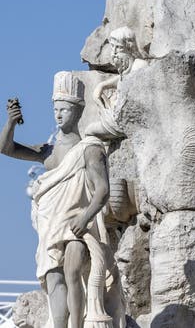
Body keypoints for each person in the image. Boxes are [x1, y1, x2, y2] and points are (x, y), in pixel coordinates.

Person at [0, 73, 124, 328]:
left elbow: (102, 190)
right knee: (54, 279)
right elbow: (6, 149)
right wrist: (10, 123)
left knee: (73, 267)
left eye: (64, 109)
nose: (58, 115)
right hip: (50, 230)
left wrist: (85, 216)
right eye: (56, 109)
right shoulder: (48, 153)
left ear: (77, 112)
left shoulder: (90, 149)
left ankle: (77, 324)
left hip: (78, 229)